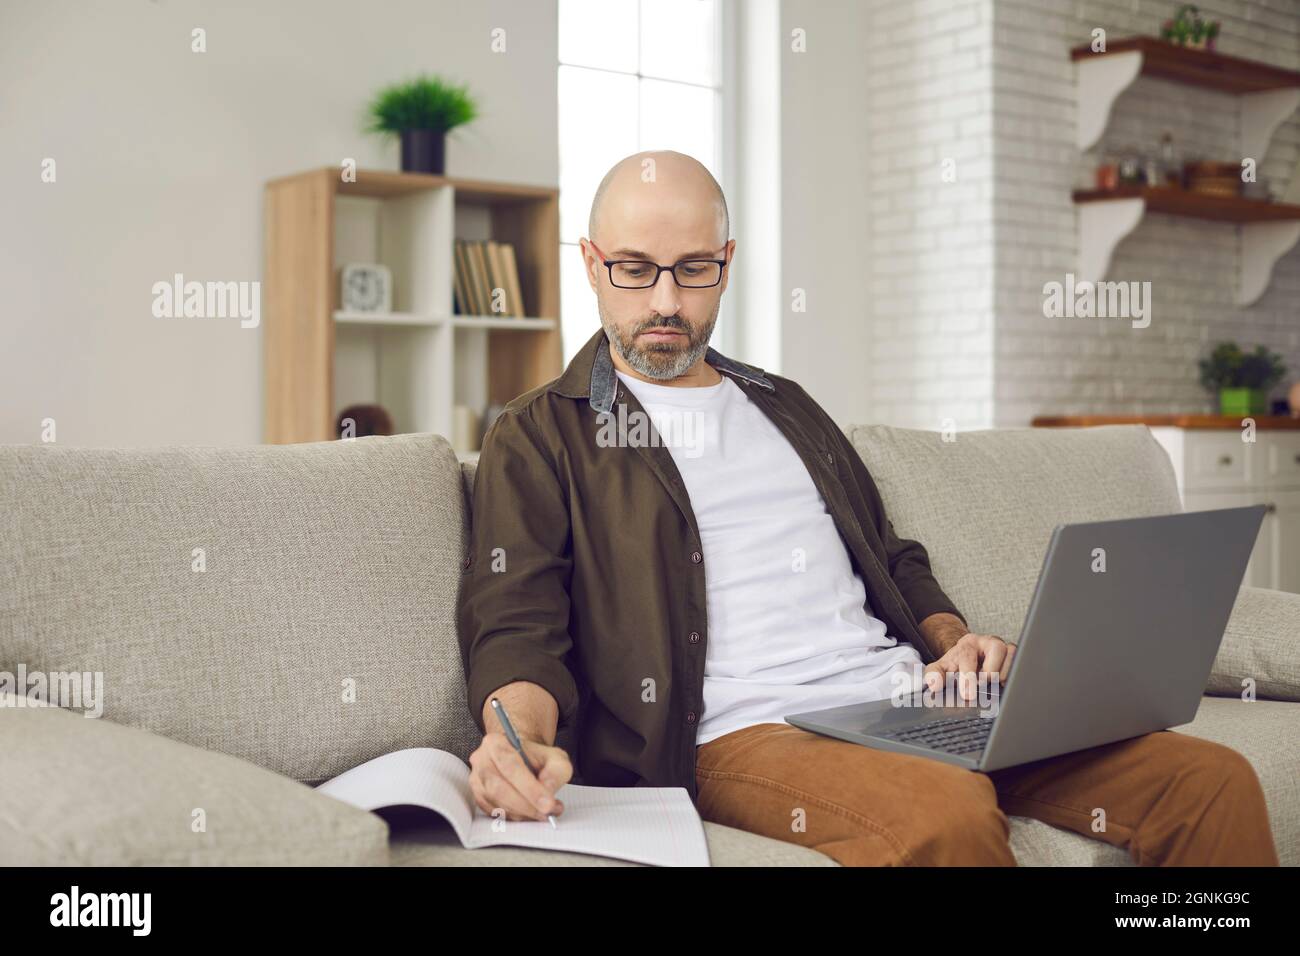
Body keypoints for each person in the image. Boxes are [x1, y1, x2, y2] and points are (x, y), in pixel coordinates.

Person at [456, 150, 1278, 866]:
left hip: (908, 700)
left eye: (693, 268)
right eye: (636, 269)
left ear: (728, 263)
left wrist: (956, 645)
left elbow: (892, 558)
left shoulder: (784, 405)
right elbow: (518, 623)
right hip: (743, 732)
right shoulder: (543, 434)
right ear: (593, 263)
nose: (665, 301)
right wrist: (515, 739)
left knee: (1208, 782)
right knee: (943, 814)